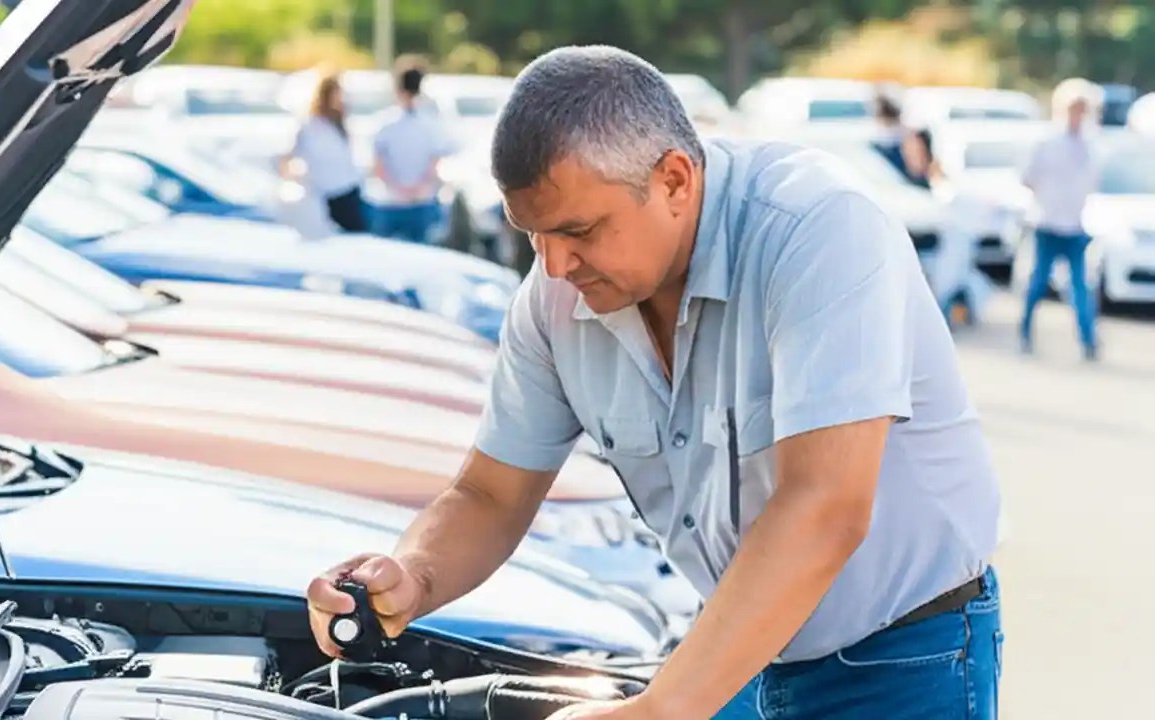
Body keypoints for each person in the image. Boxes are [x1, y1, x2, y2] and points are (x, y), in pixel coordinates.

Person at [307, 46, 1002, 720]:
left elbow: (824, 509)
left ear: (674, 179)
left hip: (903, 658)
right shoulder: (554, 299)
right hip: (732, 648)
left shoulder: (820, 229)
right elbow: (490, 494)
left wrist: (663, 709)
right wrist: (412, 575)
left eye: (578, 230)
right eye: (532, 235)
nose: (553, 266)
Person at [1019, 77, 1104, 361]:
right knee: (1039, 281)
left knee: (1080, 285)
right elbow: (1027, 177)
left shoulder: (1089, 145)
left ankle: (1088, 339)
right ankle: (1025, 330)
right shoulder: (1047, 141)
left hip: (1075, 225)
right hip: (1047, 222)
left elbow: (1092, 181)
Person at [369, 56, 447, 244]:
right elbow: (434, 165)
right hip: (421, 201)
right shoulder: (430, 124)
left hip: (390, 202)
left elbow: (377, 167)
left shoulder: (384, 123)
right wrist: (416, 188)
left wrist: (399, 189)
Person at [284, 69, 368, 233]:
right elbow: (289, 157)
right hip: (322, 193)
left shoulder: (339, 124)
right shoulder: (310, 126)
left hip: (347, 189)